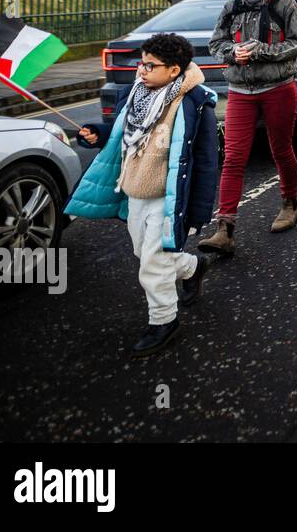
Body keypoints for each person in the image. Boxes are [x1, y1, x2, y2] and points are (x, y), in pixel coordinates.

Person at [67, 33, 218, 357]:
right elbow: (123, 131)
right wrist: (97, 133)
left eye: (151, 65)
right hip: (134, 189)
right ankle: (192, 266)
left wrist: (200, 209)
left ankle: (164, 322)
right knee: (143, 251)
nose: (141, 71)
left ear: (174, 70)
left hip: (167, 197)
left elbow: (205, 160)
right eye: (141, 63)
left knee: (152, 262)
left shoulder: (194, 103)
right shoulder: (134, 93)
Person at [199, 0, 297, 255]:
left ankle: (290, 204)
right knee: (233, 157)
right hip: (240, 90)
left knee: (281, 149)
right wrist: (233, 52)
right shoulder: (231, 6)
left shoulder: (285, 4)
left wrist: (263, 50)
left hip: (279, 88)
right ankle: (225, 228)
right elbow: (216, 43)